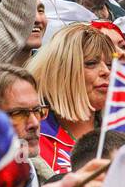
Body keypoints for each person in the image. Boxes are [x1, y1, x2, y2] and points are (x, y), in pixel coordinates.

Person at [28, 22, 114, 173]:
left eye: (109, 64)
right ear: (61, 72)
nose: (106, 71)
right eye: (91, 63)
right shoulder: (31, 134)